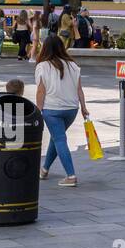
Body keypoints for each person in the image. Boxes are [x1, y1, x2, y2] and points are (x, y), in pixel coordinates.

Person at [34, 34, 90, 187]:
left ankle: (71, 176)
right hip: (72, 109)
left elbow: (41, 91)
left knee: (59, 139)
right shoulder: (73, 65)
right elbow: (79, 89)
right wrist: (84, 107)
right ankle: (44, 169)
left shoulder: (42, 66)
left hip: (51, 109)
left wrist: (38, 110)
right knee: (57, 137)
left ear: (45, 48)